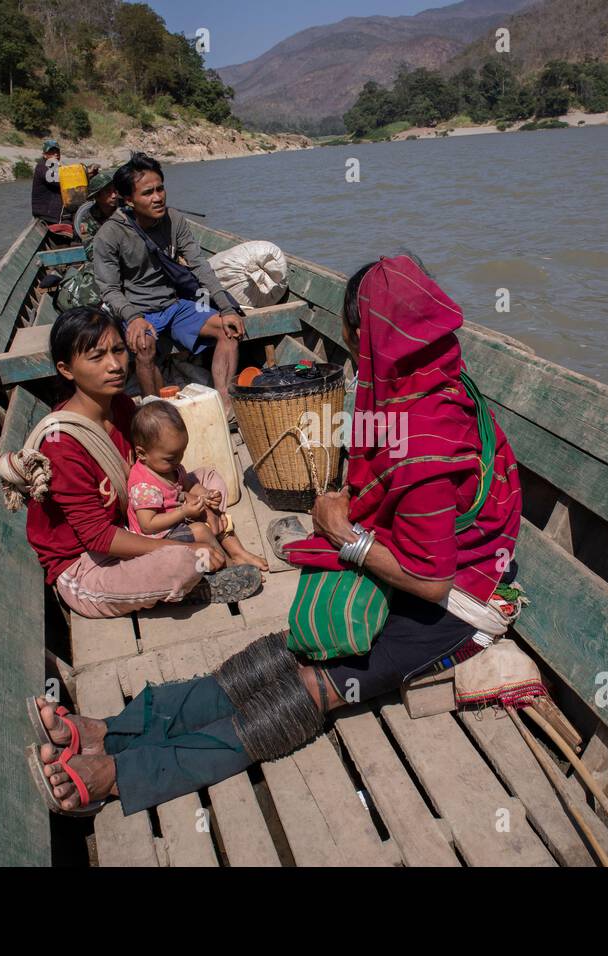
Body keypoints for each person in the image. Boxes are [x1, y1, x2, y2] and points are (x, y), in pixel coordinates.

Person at [28, 255, 525, 816]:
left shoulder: (427, 439)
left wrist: (345, 536)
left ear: (361, 335)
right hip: (416, 573)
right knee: (274, 655)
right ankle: (115, 729)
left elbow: (432, 584)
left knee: (312, 685)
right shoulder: (432, 380)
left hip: (450, 604)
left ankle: (125, 771)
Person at [5, 306, 262, 622]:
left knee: (208, 478)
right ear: (67, 369)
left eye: (117, 351)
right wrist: (178, 548)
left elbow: (152, 477)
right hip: (87, 563)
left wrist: (200, 500)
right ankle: (191, 575)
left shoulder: (122, 407)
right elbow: (98, 538)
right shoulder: (62, 445)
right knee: (180, 564)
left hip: (131, 521)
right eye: (97, 357)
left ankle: (220, 551)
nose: (114, 366)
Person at [92, 154, 245, 419]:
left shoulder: (174, 219)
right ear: (129, 200)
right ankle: (161, 416)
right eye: (148, 192)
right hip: (138, 310)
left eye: (160, 188)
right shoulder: (110, 234)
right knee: (144, 346)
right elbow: (109, 289)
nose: (158, 197)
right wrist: (134, 318)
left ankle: (224, 403)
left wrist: (227, 307)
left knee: (228, 330)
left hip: (175, 306)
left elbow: (199, 266)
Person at [127, 399, 268, 570]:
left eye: (182, 453)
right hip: (158, 539)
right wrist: (184, 511)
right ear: (142, 453)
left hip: (176, 521)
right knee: (201, 530)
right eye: (171, 458)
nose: (178, 461)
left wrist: (207, 495)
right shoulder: (144, 486)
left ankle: (238, 552)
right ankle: (228, 566)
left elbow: (189, 485)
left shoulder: (172, 467)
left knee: (214, 512)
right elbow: (148, 525)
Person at [73, 167, 120, 252]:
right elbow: (90, 249)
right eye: (107, 192)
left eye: (114, 191)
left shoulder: (125, 209)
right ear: (97, 196)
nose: (113, 196)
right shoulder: (88, 218)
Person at [31, 140, 64, 224]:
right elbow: (59, 181)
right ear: (45, 155)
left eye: (57, 151)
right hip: (46, 214)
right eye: (52, 152)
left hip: (51, 212)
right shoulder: (42, 167)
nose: (56, 154)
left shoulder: (54, 167)